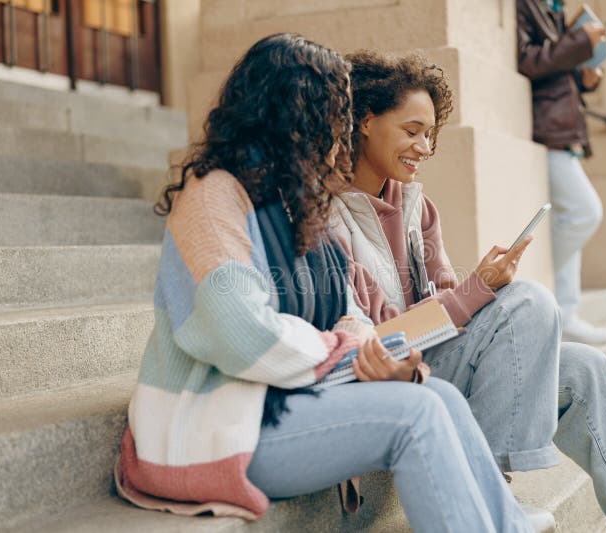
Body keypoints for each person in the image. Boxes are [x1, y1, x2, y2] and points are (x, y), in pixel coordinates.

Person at [113, 33, 532, 533]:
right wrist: (347, 352)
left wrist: (376, 356)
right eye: (332, 119)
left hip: (289, 404)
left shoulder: (298, 203)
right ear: (292, 120)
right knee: (415, 416)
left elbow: (351, 311)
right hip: (220, 425)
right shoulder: (213, 199)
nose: (340, 138)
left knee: (439, 396)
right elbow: (240, 331)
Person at [331, 48, 606, 533]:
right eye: (411, 131)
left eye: (429, 135)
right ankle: (489, 497)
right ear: (365, 121)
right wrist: (477, 290)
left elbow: (443, 302)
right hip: (384, 375)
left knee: (583, 367)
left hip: (428, 359)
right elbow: (371, 336)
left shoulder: (417, 206)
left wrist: (475, 289)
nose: (424, 147)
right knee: (526, 303)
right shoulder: (329, 215)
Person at [516, 0, 606, 344]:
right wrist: (581, 43)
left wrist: (585, 76)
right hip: (549, 131)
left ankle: (567, 312)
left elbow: (556, 67)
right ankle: (547, 292)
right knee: (584, 213)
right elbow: (528, 60)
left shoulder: (554, 9)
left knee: (573, 219)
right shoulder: (526, 5)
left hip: (564, 134)